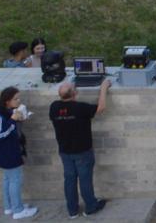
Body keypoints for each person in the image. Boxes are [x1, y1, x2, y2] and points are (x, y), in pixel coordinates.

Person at [48, 78, 109, 218]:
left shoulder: (54, 107)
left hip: (65, 151)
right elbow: (101, 107)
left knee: (69, 180)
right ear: (75, 93)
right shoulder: (80, 108)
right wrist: (104, 88)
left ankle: (72, 210)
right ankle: (90, 207)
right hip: (83, 151)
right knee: (85, 179)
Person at [0, 86, 36, 220]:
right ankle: (18, 210)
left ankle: (10, 206)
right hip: (7, 152)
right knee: (15, 179)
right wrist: (13, 119)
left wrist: (19, 117)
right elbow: (0, 134)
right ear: (7, 101)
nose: (18, 101)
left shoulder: (5, 110)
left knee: (8, 179)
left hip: (6, 151)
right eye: (16, 99)